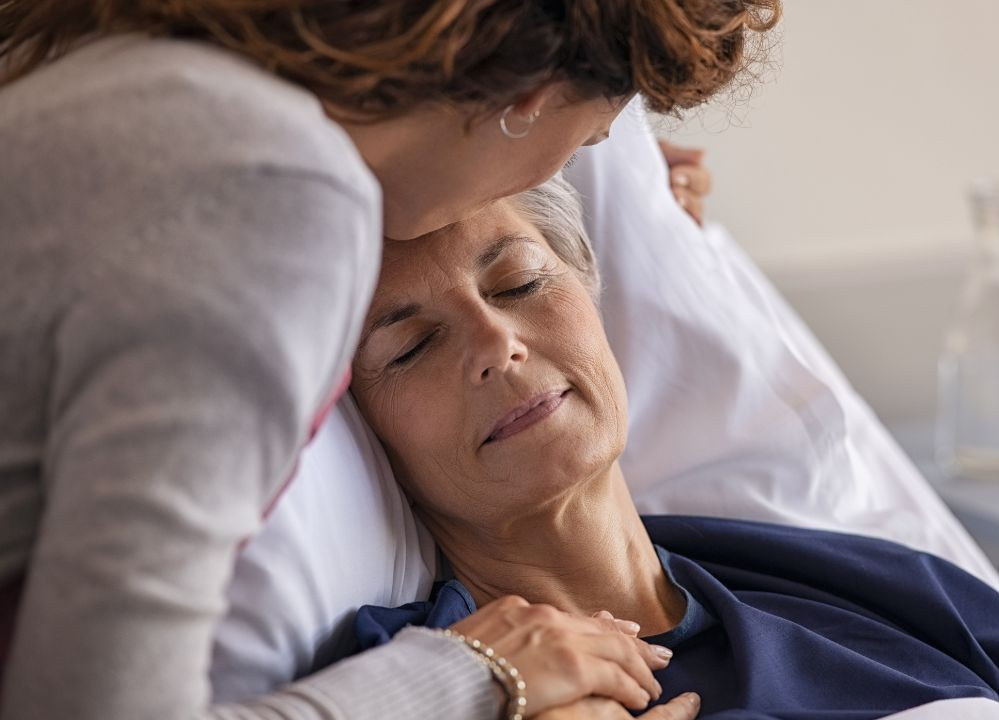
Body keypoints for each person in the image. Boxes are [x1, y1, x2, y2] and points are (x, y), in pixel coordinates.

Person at [0, 1, 778, 718]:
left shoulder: (132, 85)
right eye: (587, 143)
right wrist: (475, 672)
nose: (560, 171)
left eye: (522, 280)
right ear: (530, 100)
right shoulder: (269, 195)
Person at [345, 177, 999, 720]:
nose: (496, 344)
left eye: (519, 283)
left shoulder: (865, 586)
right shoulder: (426, 681)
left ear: (593, 304)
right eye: (411, 346)